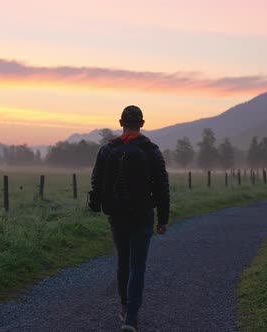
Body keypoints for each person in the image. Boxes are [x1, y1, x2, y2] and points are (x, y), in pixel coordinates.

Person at [89, 105, 170, 332]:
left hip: (116, 214)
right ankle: (131, 319)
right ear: (142, 124)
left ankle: (125, 308)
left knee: (123, 261)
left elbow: (96, 181)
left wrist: (96, 206)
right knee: (138, 266)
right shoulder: (151, 150)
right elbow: (162, 187)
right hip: (142, 215)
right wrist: (162, 219)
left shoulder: (107, 150)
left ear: (120, 122)